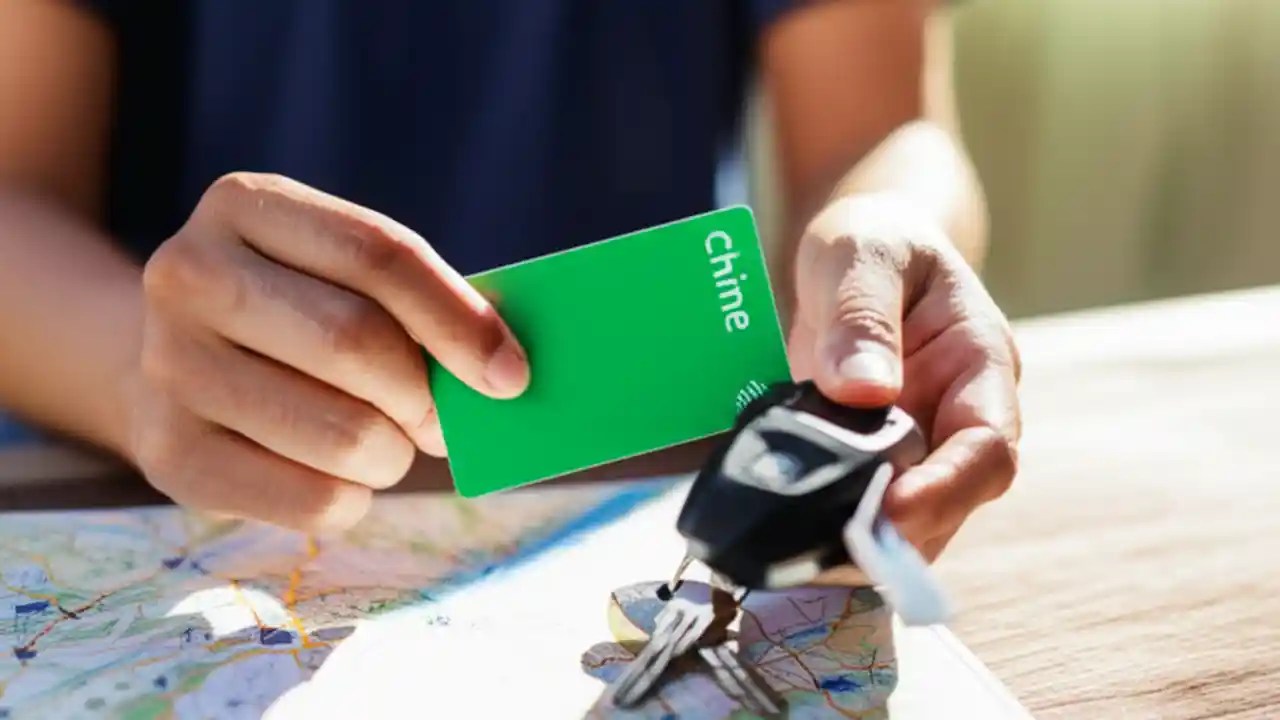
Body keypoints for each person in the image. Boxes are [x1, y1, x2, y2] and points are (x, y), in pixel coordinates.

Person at [0, 0, 1019, 565]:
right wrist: (140, 374)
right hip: (171, 505)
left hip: (650, 511)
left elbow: (882, 130)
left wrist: (888, 233)